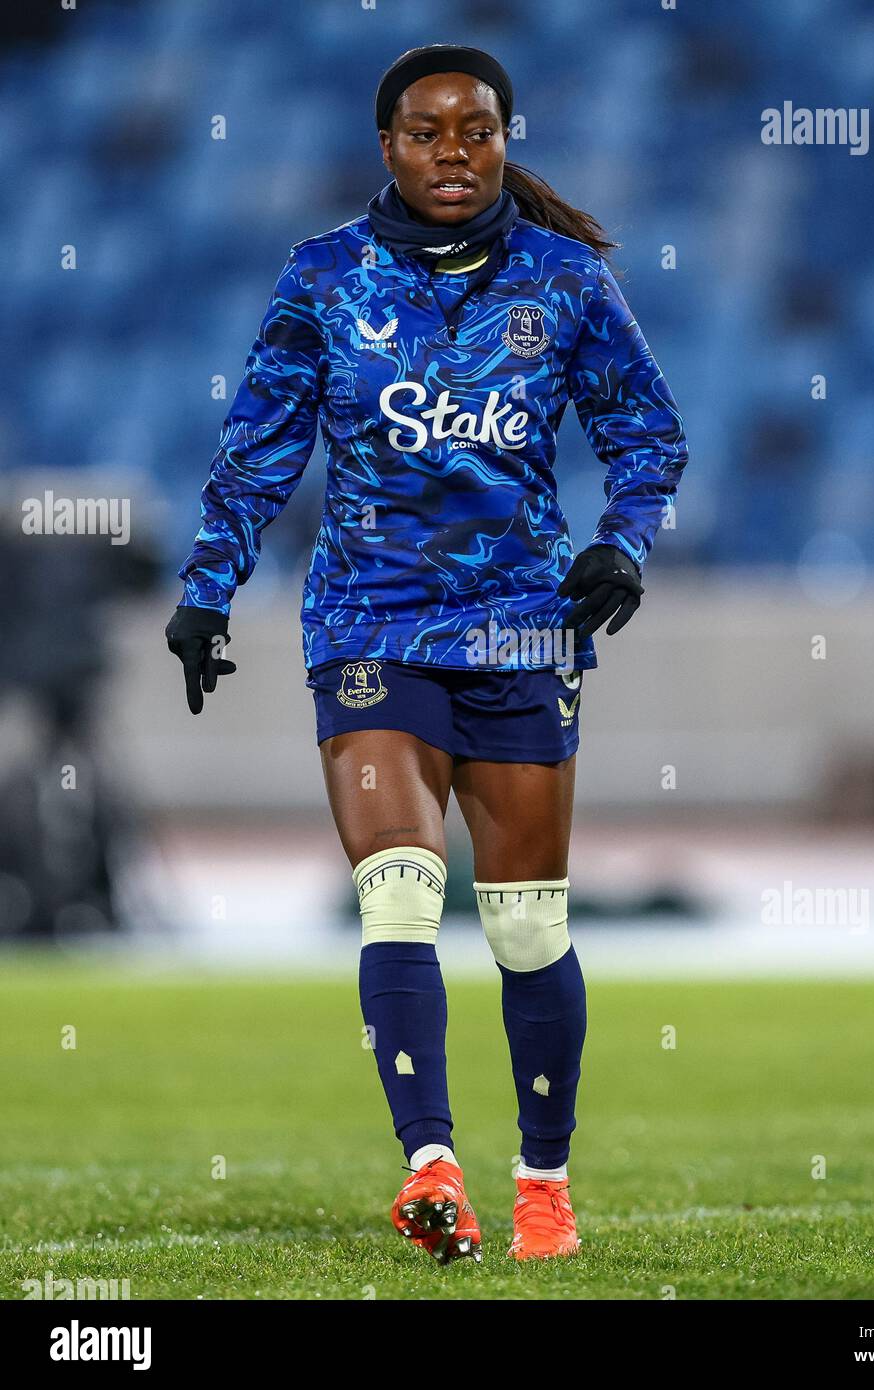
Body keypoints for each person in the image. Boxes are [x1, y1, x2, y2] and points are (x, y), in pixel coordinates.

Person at [166, 43, 688, 1266]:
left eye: (476, 130)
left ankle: (544, 1185)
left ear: (507, 138)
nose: (452, 152)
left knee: (521, 929)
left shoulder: (565, 282)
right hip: (368, 622)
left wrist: (623, 545)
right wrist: (207, 588)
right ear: (385, 145)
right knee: (398, 890)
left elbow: (648, 430)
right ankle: (430, 1165)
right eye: (424, 131)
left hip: (518, 625)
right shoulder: (324, 278)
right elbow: (258, 445)